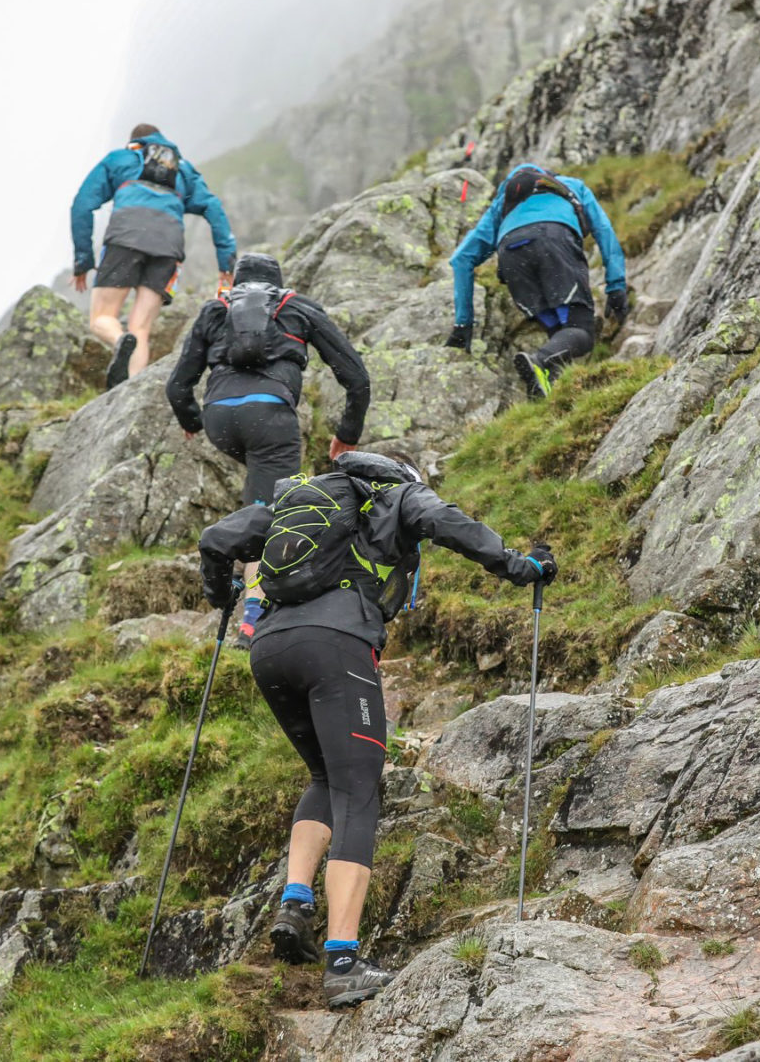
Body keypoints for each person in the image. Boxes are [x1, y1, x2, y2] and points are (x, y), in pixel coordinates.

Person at [197, 451, 557, 1008]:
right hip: (336, 645)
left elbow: (216, 539)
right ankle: (343, 962)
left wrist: (221, 595)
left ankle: (295, 902)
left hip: (269, 650)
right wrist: (519, 566)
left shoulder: (299, 500)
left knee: (324, 774)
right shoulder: (398, 495)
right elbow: (450, 523)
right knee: (359, 792)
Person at [168, 252, 371, 648]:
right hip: (269, 417)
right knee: (275, 513)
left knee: (260, 487)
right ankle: (252, 620)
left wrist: (194, 422)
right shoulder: (297, 307)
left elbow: (178, 387)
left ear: (237, 284)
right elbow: (356, 377)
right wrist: (348, 431)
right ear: (277, 283)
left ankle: (238, 571)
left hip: (219, 421)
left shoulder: (215, 309)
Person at [70, 123, 237, 388]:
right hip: (169, 247)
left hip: (126, 237)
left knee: (102, 318)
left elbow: (82, 204)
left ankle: (118, 340)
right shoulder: (183, 169)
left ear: (134, 142)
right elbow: (213, 207)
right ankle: (131, 390)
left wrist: (82, 261)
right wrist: (226, 264)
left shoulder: (120, 158)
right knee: (141, 329)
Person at [446, 163, 630, 400]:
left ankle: (547, 396)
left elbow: (461, 259)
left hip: (511, 255)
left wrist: (463, 325)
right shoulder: (571, 186)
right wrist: (616, 285)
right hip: (553, 240)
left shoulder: (502, 204)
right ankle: (539, 362)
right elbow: (604, 231)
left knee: (560, 335)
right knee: (580, 332)